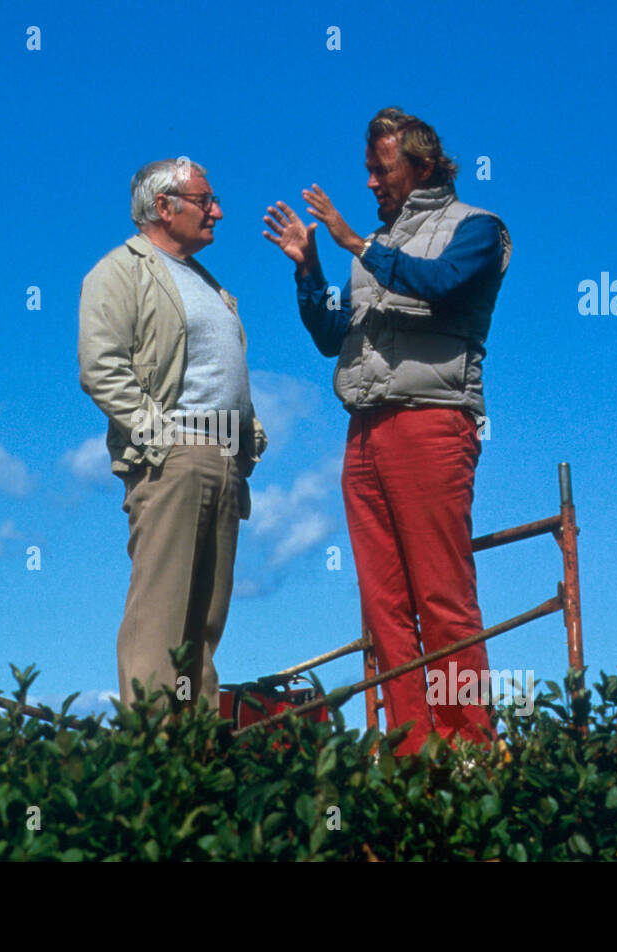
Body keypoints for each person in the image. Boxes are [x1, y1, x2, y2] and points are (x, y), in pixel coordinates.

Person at [263, 108, 511, 755]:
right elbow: (330, 337)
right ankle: (412, 752)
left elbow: (442, 286)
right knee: (385, 607)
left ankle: (470, 754)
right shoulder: (365, 251)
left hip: (431, 425)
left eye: (382, 169)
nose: (371, 182)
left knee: (443, 597)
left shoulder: (477, 229)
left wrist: (355, 243)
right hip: (363, 436)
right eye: (369, 170)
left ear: (423, 166)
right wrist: (309, 270)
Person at [79, 158, 267, 710]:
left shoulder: (210, 285)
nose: (218, 211)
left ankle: (196, 767)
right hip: (172, 459)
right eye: (206, 201)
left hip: (225, 461)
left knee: (202, 629)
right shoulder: (120, 271)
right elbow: (100, 367)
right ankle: (153, 763)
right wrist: (160, 438)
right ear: (165, 207)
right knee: (160, 621)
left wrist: (246, 434)